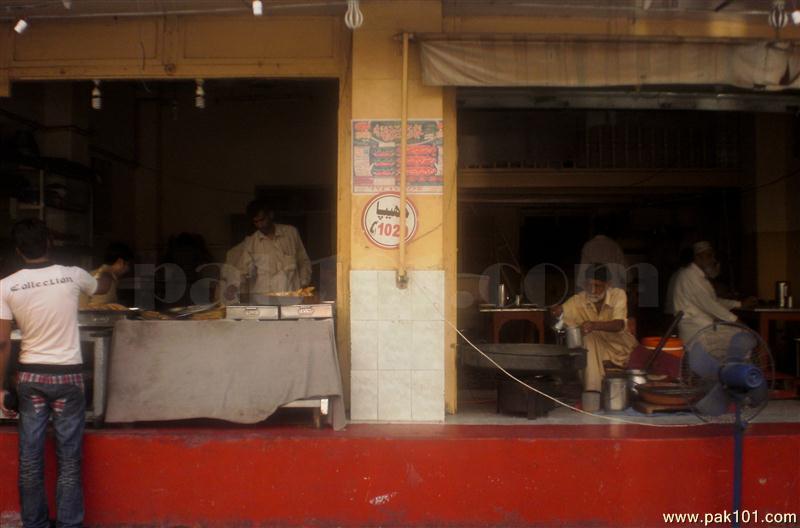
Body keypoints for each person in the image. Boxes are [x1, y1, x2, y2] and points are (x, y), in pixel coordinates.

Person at [0, 219, 111, 528]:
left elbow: (2, 342)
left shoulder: (6, 286)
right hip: (68, 379)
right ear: (50, 242)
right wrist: (108, 271)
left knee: (30, 461)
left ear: (18, 250)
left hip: (31, 379)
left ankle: (34, 524)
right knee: (69, 462)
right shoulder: (73, 275)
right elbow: (102, 287)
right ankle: (69, 524)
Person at [552, 264, 638, 393]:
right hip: (595, 351)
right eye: (589, 285)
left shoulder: (618, 295)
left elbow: (619, 325)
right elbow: (559, 318)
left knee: (590, 339)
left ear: (608, 285)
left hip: (620, 350)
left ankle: (592, 392)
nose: (592, 290)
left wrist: (594, 325)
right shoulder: (578, 300)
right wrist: (556, 313)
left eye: (597, 286)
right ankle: (593, 391)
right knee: (589, 339)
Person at [672, 241, 756, 344]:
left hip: (704, 327)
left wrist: (740, 304)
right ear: (698, 257)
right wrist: (738, 322)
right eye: (709, 256)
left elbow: (714, 301)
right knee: (745, 337)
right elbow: (711, 305)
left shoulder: (699, 276)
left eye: (712, 256)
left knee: (743, 336)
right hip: (696, 331)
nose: (713, 260)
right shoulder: (690, 275)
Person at [230, 199, 311, 300]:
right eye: (256, 222)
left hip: (292, 297)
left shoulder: (291, 233)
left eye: (262, 220)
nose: (260, 225)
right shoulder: (251, 243)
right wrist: (233, 286)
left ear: (270, 215)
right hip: (264, 300)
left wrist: (304, 284)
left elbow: (303, 261)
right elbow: (242, 271)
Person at [578, 216, 626, 291]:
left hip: (596, 290)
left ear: (593, 229)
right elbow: (625, 272)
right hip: (614, 288)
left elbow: (582, 273)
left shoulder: (588, 246)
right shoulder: (614, 246)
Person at [81, 242, 133, 306]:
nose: (128, 269)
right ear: (120, 262)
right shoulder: (105, 277)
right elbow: (98, 308)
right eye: (128, 265)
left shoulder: (96, 273)